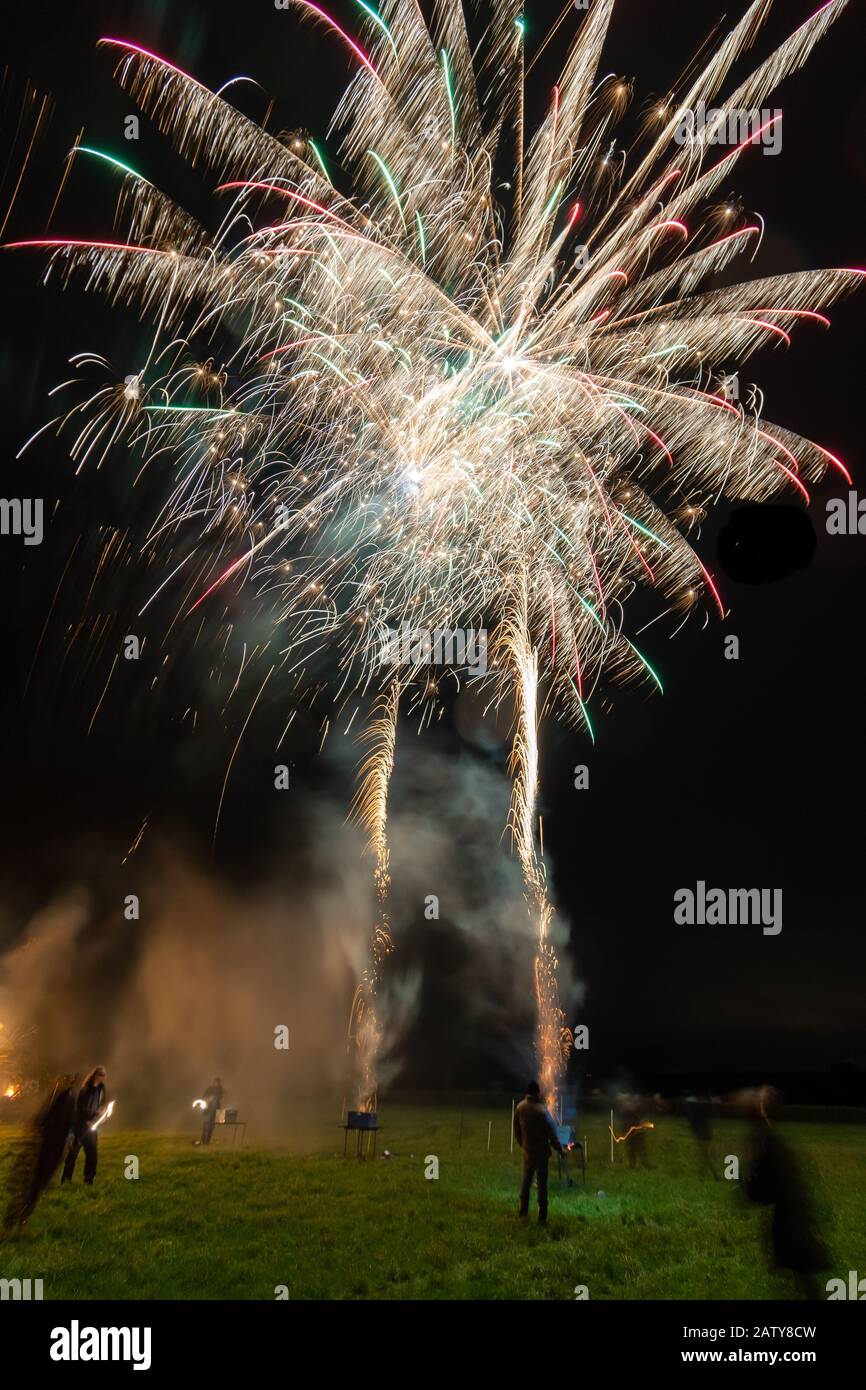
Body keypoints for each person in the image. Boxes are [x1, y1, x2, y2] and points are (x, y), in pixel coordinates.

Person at [743, 1085, 829, 1300]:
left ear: (763, 1109)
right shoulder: (774, 1140)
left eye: (758, 1100)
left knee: (800, 1275)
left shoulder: (770, 1143)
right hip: (792, 1217)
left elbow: (760, 1191)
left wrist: (748, 1182)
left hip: (789, 1222)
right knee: (798, 1276)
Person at [3, 1074, 78, 1227]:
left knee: (40, 1183)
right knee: (29, 1180)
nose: (66, 1081)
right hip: (42, 1144)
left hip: (55, 1147)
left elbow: (70, 1123)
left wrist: (69, 1138)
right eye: (65, 1079)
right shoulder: (54, 1096)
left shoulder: (70, 1100)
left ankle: (24, 1214)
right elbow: (41, 1118)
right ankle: (14, 1215)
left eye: (69, 1079)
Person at [513, 1081, 564, 1224]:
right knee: (542, 1185)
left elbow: (516, 1130)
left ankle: (523, 1212)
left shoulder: (520, 1107)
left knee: (526, 1181)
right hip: (542, 1153)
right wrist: (560, 1150)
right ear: (537, 1092)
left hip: (528, 1152)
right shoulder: (542, 1110)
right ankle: (542, 1217)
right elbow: (552, 1135)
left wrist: (522, 1144)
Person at [61, 1067, 108, 1186]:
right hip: (80, 1127)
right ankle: (66, 1180)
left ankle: (89, 1180)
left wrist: (101, 1112)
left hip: (92, 1128)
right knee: (73, 1154)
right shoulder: (85, 1090)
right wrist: (89, 1118)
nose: (103, 1078)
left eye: (104, 1075)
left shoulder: (101, 1089)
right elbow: (80, 1109)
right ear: (95, 1076)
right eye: (101, 1075)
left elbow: (102, 1104)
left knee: (92, 1154)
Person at [199, 1077, 225, 1146]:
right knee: (206, 1126)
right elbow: (204, 1097)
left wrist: (220, 1096)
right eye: (217, 1083)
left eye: (219, 1083)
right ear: (214, 1083)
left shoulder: (220, 1089)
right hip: (208, 1109)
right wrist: (210, 1098)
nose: (218, 1084)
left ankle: (207, 1141)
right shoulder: (209, 1089)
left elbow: (222, 1096)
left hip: (216, 1110)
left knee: (212, 1127)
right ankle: (203, 1140)